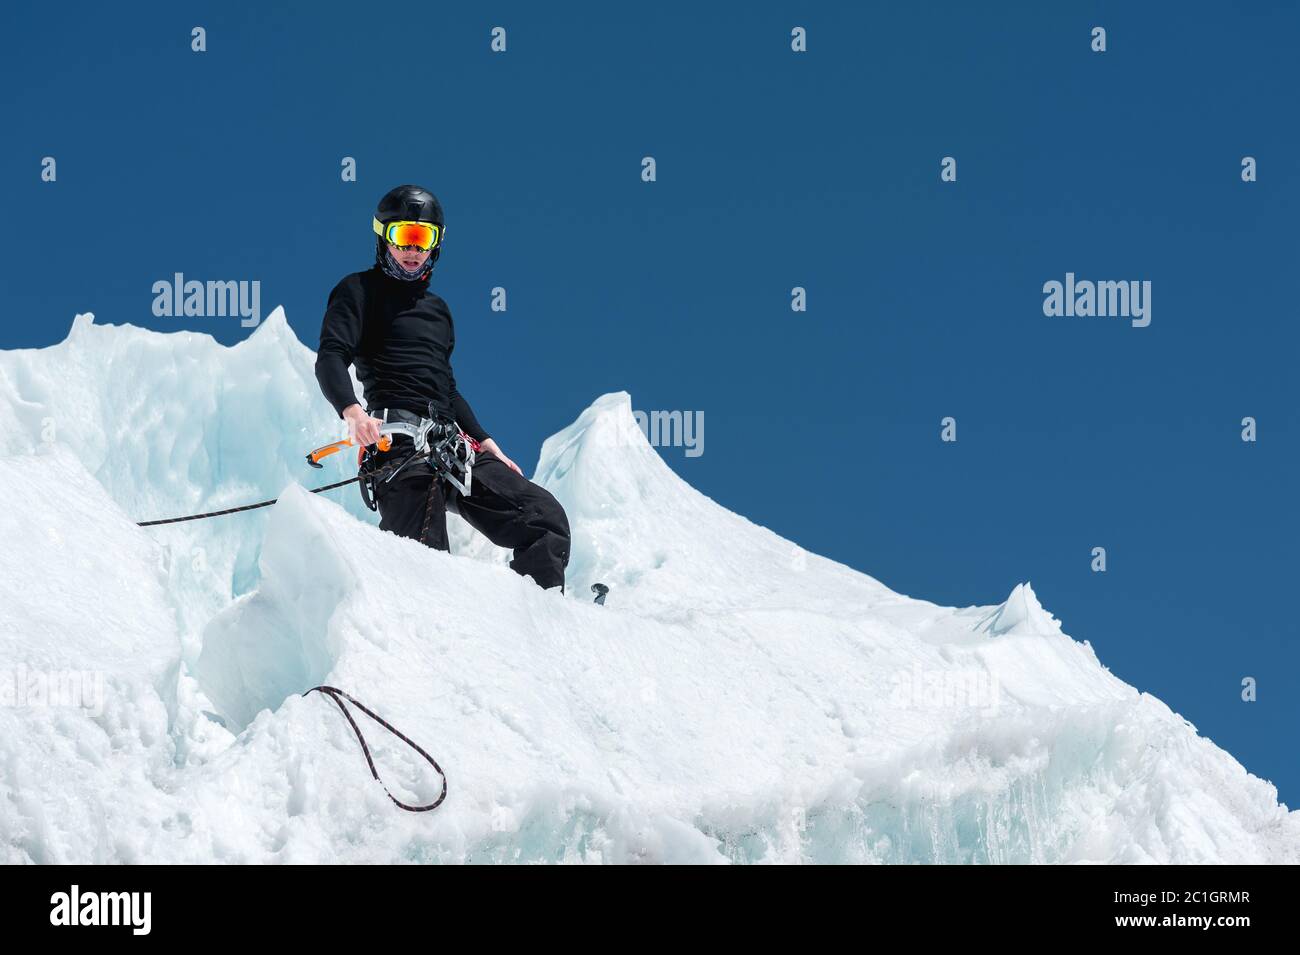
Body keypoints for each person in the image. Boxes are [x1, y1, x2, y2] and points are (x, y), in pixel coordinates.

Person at [314, 184, 570, 591]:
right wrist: (351, 410)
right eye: (404, 237)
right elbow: (330, 356)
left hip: (453, 447)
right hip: (397, 450)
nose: (413, 250)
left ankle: (537, 621)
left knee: (545, 519)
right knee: (425, 570)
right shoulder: (358, 292)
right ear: (384, 237)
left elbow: (445, 390)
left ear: (436, 245)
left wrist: (485, 441)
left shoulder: (438, 313)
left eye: (423, 238)